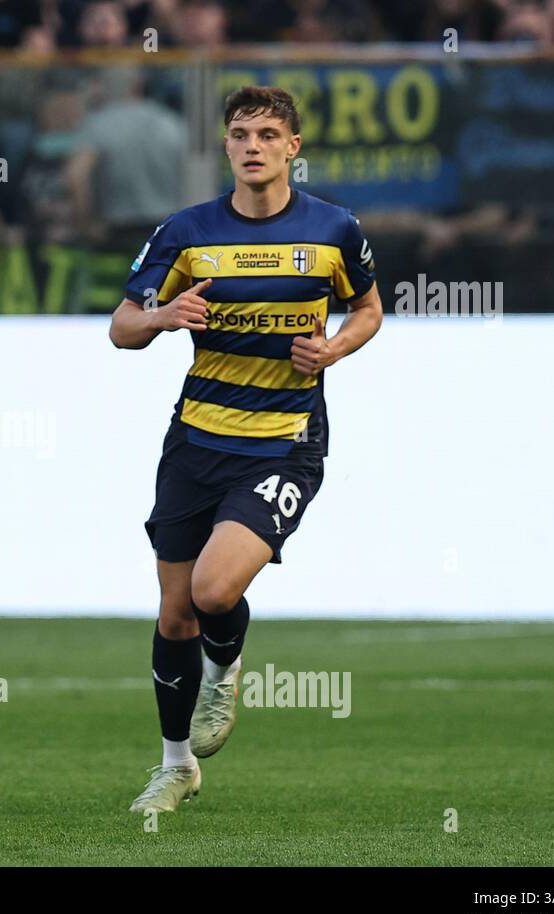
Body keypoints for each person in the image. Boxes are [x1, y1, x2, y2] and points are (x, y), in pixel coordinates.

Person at [109, 87, 383, 812]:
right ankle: (175, 767)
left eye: (267, 133)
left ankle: (223, 670)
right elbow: (122, 326)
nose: (252, 145)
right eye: (239, 133)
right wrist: (165, 315)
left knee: (212, 591)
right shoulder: (187, 232)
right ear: (226, 146)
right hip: (196, 440)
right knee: (173, 616)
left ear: (294, 146)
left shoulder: (333, 230)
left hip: (284, 445)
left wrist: (333, 350)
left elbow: (368, 308)